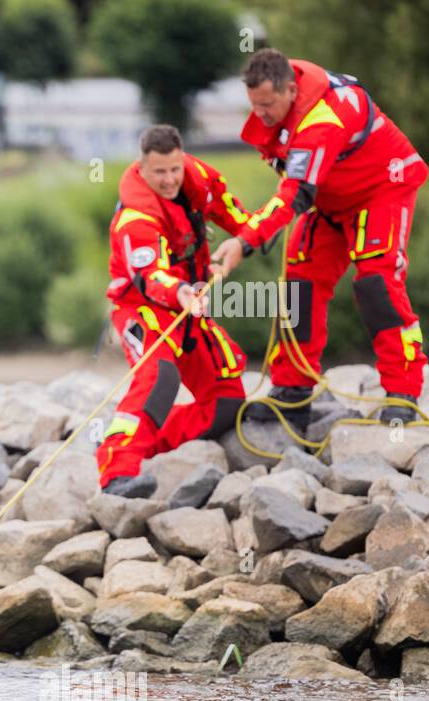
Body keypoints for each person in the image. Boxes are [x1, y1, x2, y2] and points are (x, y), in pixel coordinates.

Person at [211, 48, 429, 430]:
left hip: (382, 189)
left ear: (291, 90)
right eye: (254, 105)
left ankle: (403, 392)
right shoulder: (282, 100)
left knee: (377, 283)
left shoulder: (323, 121)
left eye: (267, 105)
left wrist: (243, 242)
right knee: (299, 282)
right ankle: (293, 391)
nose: (259, 114)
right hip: (334, 197)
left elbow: (294, 195)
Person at [96, 124, 252, 499]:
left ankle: (147, 443)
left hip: (189, 305)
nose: (169, 180)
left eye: (175, 170)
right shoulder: (136, 221)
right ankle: (115, 471)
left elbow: (234, 215)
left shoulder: (196, 179)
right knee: (158, 377)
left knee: (228, 402)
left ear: (183, 161)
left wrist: (251, 237)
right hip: (144, 305)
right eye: (160, 173)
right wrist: (180, 291)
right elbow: (150, 276)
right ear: (142, 169)